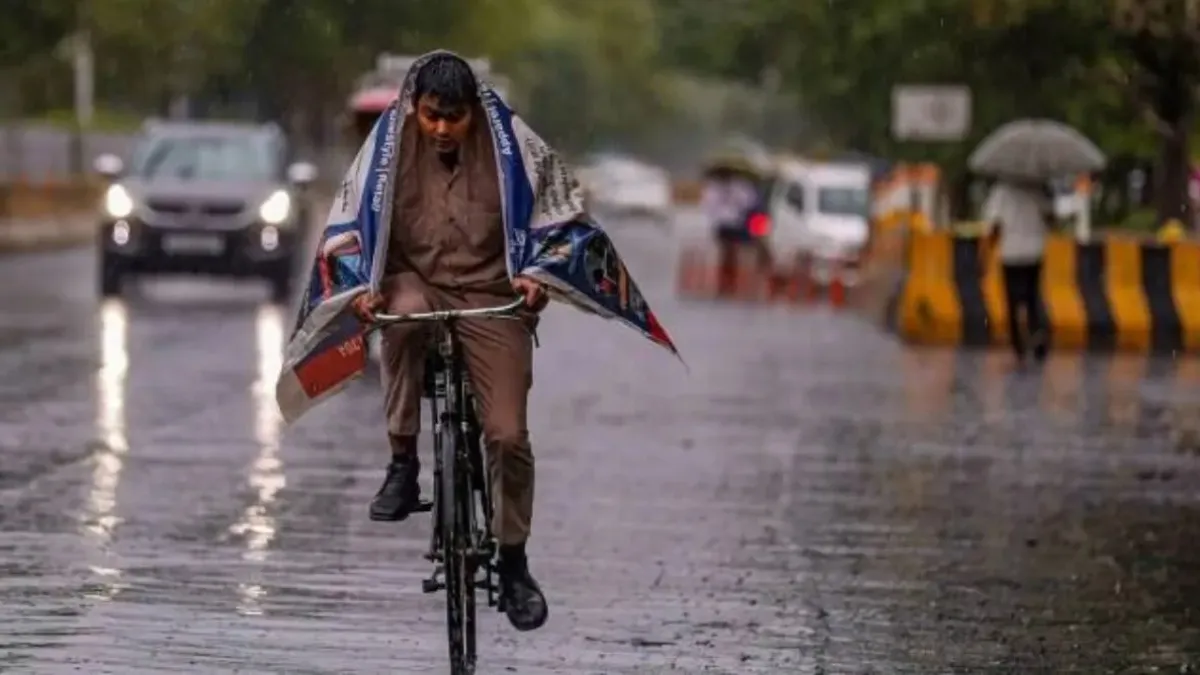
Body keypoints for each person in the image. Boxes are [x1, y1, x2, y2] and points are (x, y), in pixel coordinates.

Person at [349, 54, 549, 632]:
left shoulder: (515, 150)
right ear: (416, 110)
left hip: (494, 294)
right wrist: (366, 289)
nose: (441, 129)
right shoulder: (385, 153)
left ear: (473, 116)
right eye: (432, 117)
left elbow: (556, 224)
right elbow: (353, 229)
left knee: (508, 436)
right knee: (400, 318)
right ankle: (403, 461)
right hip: (417, 284)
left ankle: (513, 561)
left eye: (454, 119)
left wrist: (537, 279)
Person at [981, 177, 1054, 363]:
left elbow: (994, 226)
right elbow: (1051, 219)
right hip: (1034, 251)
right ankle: (1036, 334)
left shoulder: (1000, 192)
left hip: (1011, 253)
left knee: (1012, 302)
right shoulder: (1038, 188)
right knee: (1032, 298)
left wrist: (985, 252)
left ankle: (1018, 347)